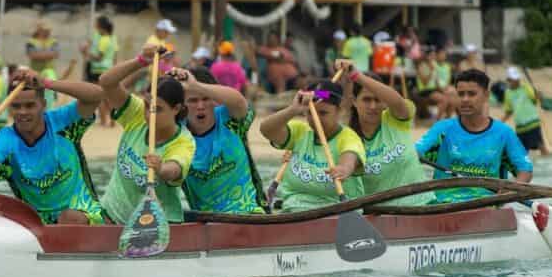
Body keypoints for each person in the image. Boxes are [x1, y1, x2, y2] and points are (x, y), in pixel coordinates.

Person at [0, 68, 107, 224]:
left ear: (43, 104)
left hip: (82, 214)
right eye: (16, 107)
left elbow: (96, 95)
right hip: (35, 222)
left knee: (69, 218)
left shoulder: (63, 121)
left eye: (29, 105)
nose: (22, 112)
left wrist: (46, 83)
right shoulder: (8, 137)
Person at [97, 49, 195, 225]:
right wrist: (141, 60)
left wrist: (160, 168)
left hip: (157, 223)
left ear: (177, 109)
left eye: (158, 109)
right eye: (147, 106)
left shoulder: (184, 141)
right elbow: (106, 82)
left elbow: (173, 170)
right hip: (111, 216)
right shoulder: (135, 113)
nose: (149, 115)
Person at [415, 69, 533, 202]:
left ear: (486, 95)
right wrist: (412, 155)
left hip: (487, 204)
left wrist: (512, 190)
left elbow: (525, 170)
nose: (465, 99)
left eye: (471, 94)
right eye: (460, 94)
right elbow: (414, 153)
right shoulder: (443, 129)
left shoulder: (504, 134)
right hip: (443, 204)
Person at [333, 60, 431, 206]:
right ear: (354, 101)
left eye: (378, 100)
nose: (373, 106)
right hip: (380, 215)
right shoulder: (347, 135)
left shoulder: (397, 119)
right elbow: (321, 95)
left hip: (421, 204)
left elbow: (397, 100)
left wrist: (357, 76)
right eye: (366, 100)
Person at [258, 81, 365, 210]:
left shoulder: (349, 137)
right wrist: (293, 110)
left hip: (335, 211)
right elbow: (266, 130)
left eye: (323, 113)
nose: (316, 118)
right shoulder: (300, 131)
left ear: (339, 111)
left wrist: (343, 169)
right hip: (294, 209)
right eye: (310, 112)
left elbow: (349, 158)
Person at [175, 67, 264, 214]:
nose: (200, 106)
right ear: (181, 106)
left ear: (215, 100)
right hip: (207, 221)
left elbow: (239, 101)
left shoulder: (229, 119)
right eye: (193, 101)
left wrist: (195, 86)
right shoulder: (177, 134)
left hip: (250, 214)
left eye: (205, 98)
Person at [81, 16, 118, 127]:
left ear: (101, 26)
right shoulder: (113, 38)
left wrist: (86, 52)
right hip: (109, 69)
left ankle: (103, 121)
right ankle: (112, 121)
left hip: (98, 70)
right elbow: (115, 55)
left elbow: (98, 57)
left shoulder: (103, 40)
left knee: (100, 96)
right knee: (109, 97)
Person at [501, 67, 547, 155]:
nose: (517, 81)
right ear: (509, 80)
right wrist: (500, 122)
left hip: (533, 123)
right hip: (520, 127)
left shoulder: (526, 88)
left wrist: (539, 96)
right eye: (514, 79)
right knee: (522, 151)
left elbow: (535, 100)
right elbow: (509, 111)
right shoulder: (508, 93)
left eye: (517, 78)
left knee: (541, 146)